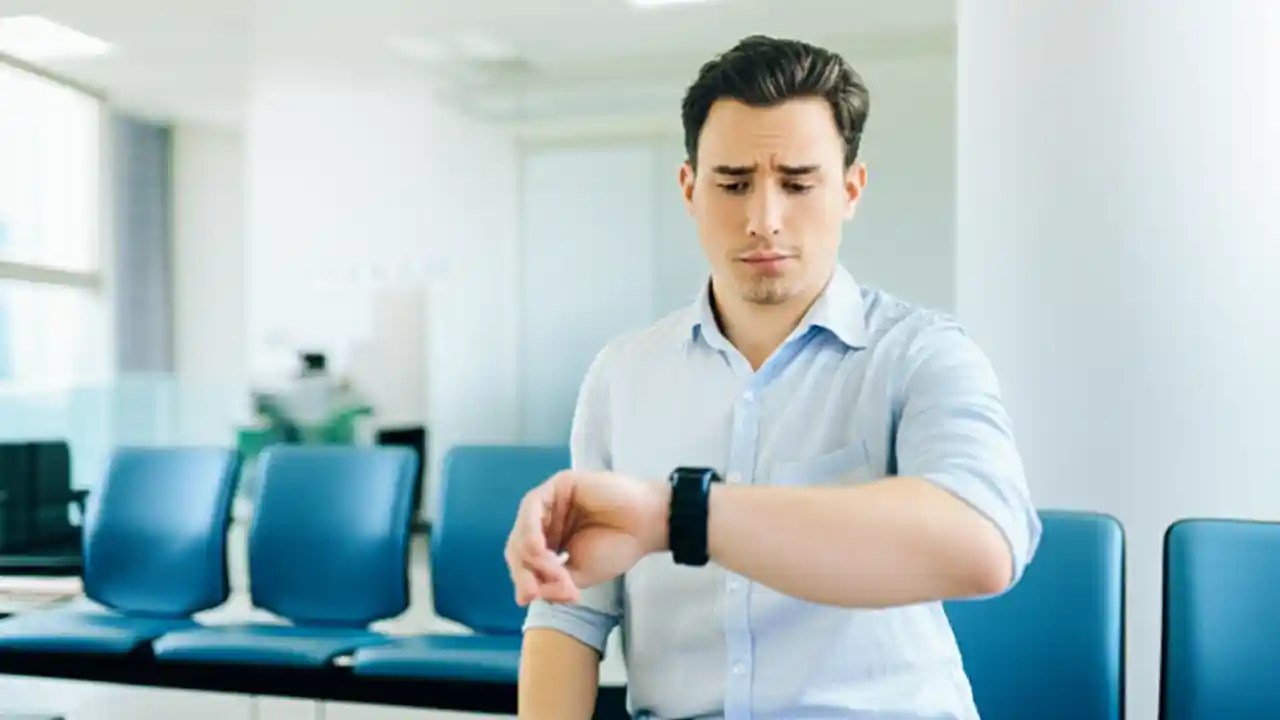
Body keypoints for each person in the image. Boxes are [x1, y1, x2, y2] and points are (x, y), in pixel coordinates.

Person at [508, 34, 1040, 720]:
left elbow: (983, 543)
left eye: (797, 183)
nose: (763, 219)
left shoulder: (923, 355)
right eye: (732, 184)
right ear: (689, 189)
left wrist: (676, 517)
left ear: (851, 189)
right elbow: (569, 616)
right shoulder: (622, 376)